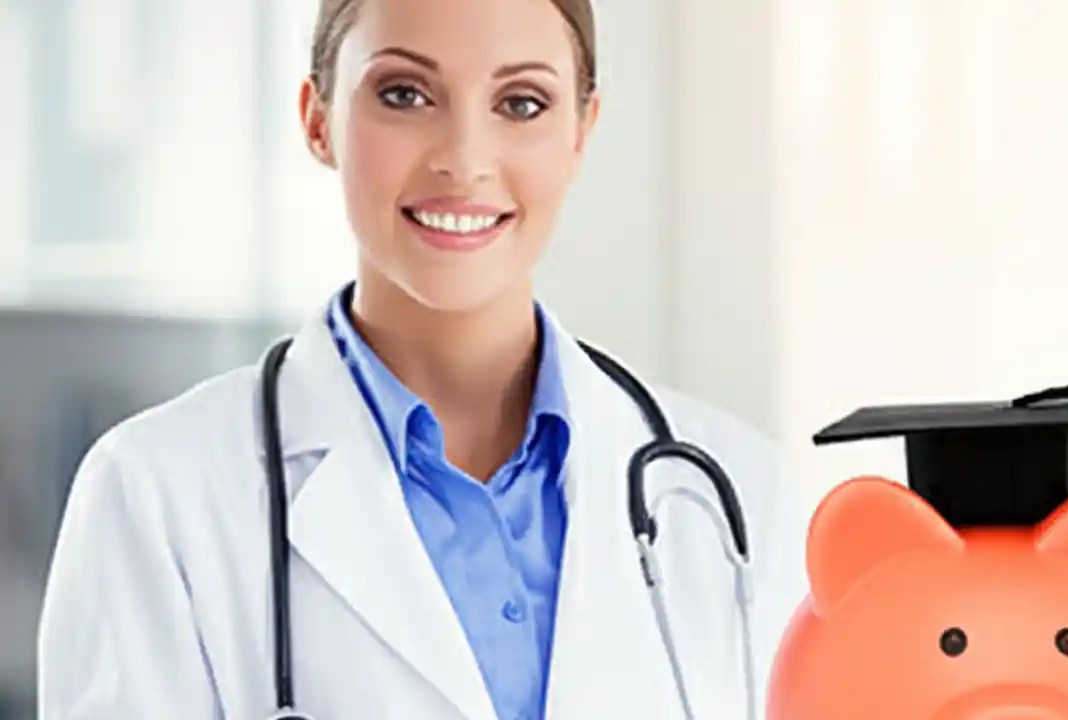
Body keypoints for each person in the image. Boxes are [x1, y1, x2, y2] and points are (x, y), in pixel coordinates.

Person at [35, 0, 810, 718]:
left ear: (582, 130)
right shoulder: (156, 497)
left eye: (521, 104)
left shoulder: (731, 497)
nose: (463, 160)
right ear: (318, 120)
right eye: (404, 94)